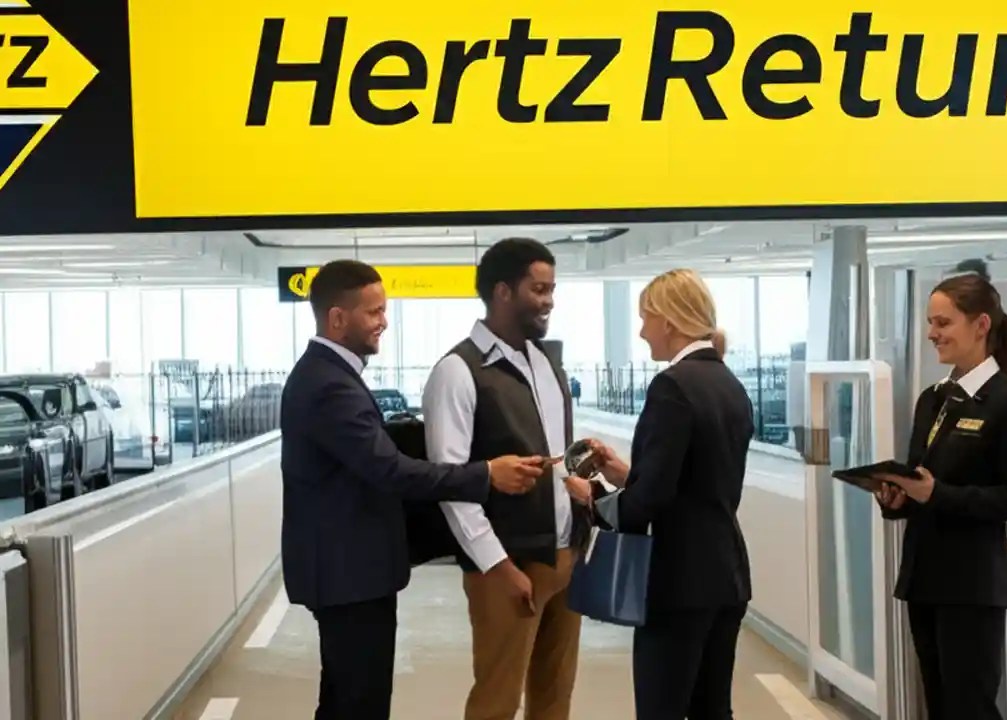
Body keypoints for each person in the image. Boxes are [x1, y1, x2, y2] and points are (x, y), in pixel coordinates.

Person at [279, 259, 545, 720]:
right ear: (337, 318)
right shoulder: (329, 385)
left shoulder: (330, 375)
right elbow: (390, 472)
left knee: (344, 697)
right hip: (348, 576)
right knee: (360, 702)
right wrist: (484, 474)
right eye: (374, 312)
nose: (384, 322)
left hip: (347, 573)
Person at [421, 238, 594, 720]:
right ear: (502, 291)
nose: (549, 300)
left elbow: (559, 460)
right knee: (497, 701)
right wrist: (498, 567)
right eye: (538, 289)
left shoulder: (545, 364)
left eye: (552, 289)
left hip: (564, 555)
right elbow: (451, 485)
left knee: (556, 695)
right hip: (507, 565)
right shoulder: (457, 372)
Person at [585, 268, 755, 720]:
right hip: (726, 573)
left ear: (669, 321)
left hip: (679, 580)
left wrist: (591, 496)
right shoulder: (728, 384)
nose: (641, 332)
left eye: (645, 319)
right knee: (712, 709)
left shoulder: (672, 387)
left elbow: (651, 501)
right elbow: (693, 480)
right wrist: (628, 473)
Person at [872, 272, 1007, 720]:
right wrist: (897, 498)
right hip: (924, 576)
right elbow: (920, 482)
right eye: (931, 323)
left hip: (970, 583)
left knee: (971, 707)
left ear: (981, 325)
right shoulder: (933, 399)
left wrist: (936, 494)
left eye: (943, 323)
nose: (933, 334)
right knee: (940, 706)